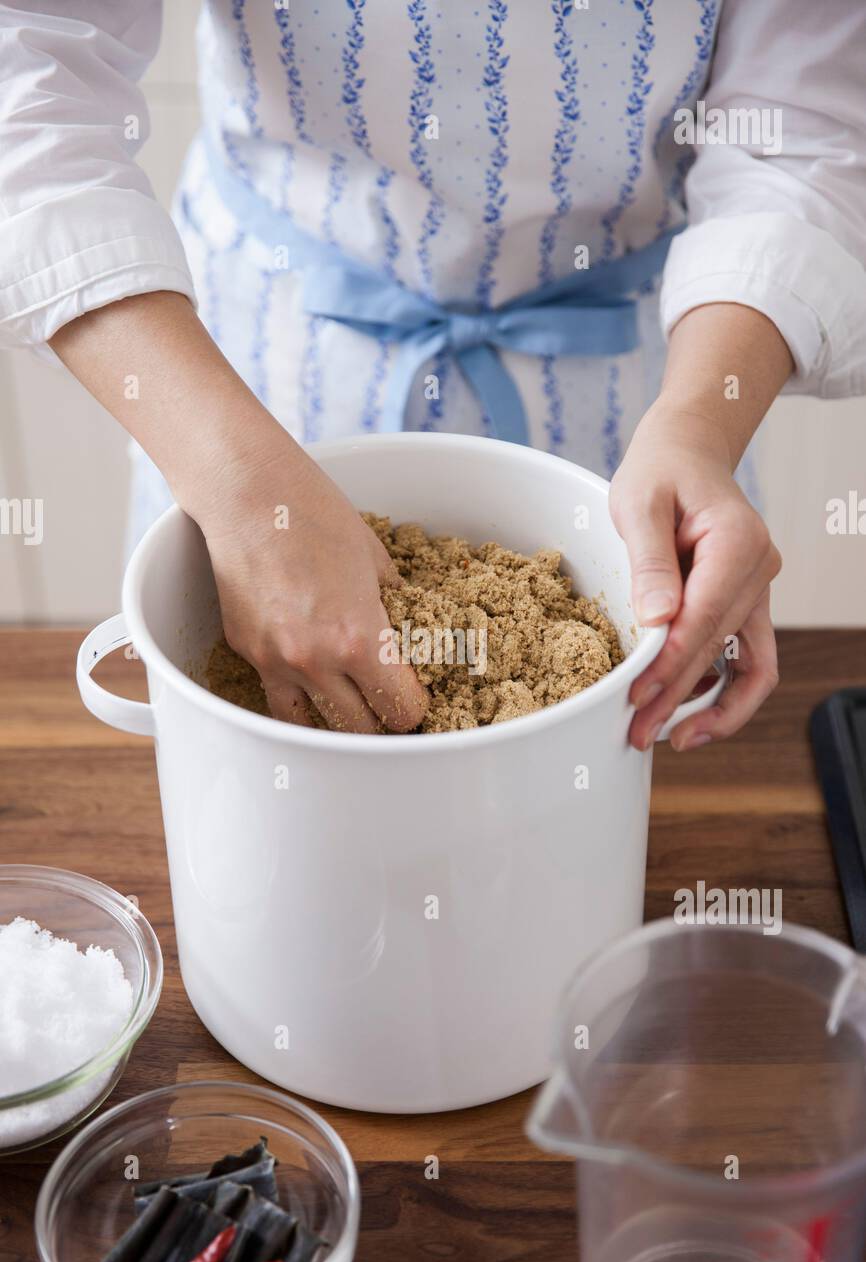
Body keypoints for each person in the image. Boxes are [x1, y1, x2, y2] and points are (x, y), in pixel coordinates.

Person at [1, 1, 864, 745]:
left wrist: (699, 427)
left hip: (640, 394)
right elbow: (29, 73)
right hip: (251, 388)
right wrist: (238, 485)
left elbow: (806, 124)